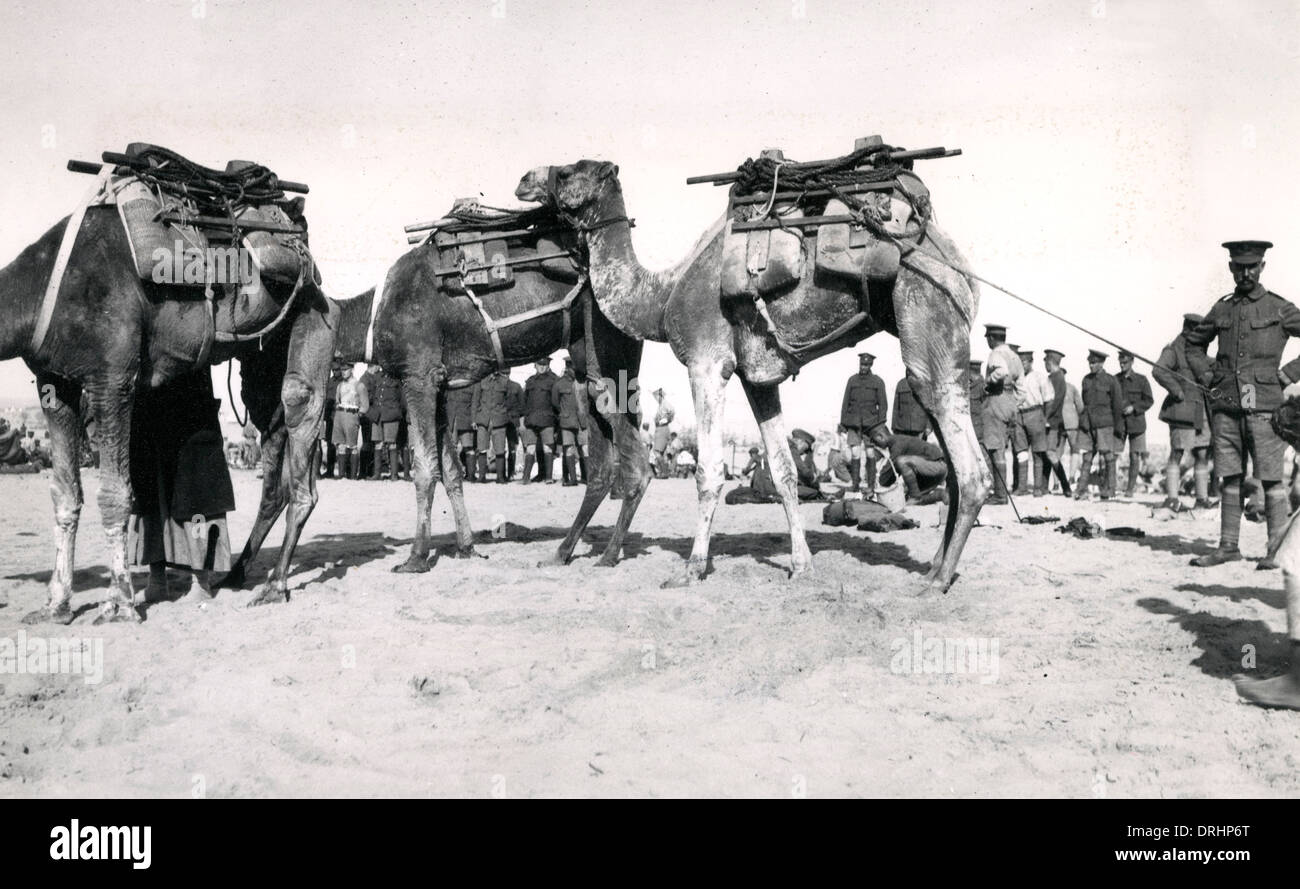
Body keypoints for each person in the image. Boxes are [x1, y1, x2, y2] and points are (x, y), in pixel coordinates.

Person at [1186, 240, 1300, 569]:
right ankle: (1227, 547)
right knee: (1229, 476)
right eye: (1239, 267)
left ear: (1262, 267)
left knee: (1271, 479)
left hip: (1264, 403)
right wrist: (1208, 376)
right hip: (1226, 405)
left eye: (1252, 266)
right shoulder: (1222, 308)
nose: (1245, 272)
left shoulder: (1278, 307)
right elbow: (1193, 345)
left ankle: (1277, 551)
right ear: (1231, 268)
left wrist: (1287, 375)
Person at [128, 369, 236, 601]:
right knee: (151, 493)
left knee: (195, 497)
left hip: (190, 404)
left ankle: (201, 583)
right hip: (149, 404)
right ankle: (157, 581)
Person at [1153, 313, 1213, 510]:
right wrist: (1176, 390)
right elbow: (1159, 370)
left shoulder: (1200, 351)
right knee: (1177, 452)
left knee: (1202, 453)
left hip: (1201, 409)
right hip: (1182, 409)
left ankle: (1202, 498)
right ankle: (1171, 498)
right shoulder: (1173, 349)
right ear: (1188, 328)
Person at [980, 325, 1022, 505]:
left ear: (991, 338)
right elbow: (1022, 388)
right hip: (1010, 401)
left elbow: (1001, 371)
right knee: (1000, 448)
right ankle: (1000, 492)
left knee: (995, 448)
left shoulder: (996, 354)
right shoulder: (1015, 355)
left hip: (996, 399)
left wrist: (989, 382)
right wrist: (1014, 404)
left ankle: (1000, 494)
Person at [1077, 349, 1125, 500]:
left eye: (1094, 363)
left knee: (1108, 457)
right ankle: (1081, 490)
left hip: (1105, 424)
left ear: (1102, 363)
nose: (1091, 365)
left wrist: (1117, 427)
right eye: (1090, 363)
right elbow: (1085, 402)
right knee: (1087, 457)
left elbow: (1117, 405)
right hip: (1088, 424)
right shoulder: (1086, 380)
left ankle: (1110, 490)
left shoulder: (1111, 380)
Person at [841, 351, 888, 493]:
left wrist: (879, 425)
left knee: (870, 454)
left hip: (871, 425)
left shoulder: (878, 382)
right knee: (855, 453)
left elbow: (883, 405)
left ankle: (871, 485)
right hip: (854, 423)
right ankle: (855, 485)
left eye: (867, 365)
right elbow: (845, 403)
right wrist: (844, 423)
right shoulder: (852, 380)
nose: (864, 367)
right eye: (862, 364)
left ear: (871, 365)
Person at [870, 424, 948, 504]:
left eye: (873, 440)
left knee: (901, 461)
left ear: (880, 436)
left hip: (938, 466)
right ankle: (940, 495)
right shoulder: (898, 441)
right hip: (931, 472)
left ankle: (915, 497)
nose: (874, 444)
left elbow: (889, 471)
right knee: (906, 500)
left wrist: (873, 486)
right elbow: (890, 475)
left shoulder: (898, 444)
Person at [1113, 349, 1154, 498]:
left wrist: (1134, 408)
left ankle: (1130, 489)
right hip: (1119, 424)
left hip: (1137, 424)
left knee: (1135, 456)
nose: (1122, 364)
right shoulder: (1115, 379)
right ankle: (1111, 487)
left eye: (1125, 362)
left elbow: (1149, 400)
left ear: (1132, 362)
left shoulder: (1141, 380)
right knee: (1112, 455)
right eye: (1120, 362)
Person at [1017, 348, 1056, 497]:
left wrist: (1045, 418)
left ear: (1031, 362)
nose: (1022, 366)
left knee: (1038, 452)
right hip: (1020, 415)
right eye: (1019, 363)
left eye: (1024, 362)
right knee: (1021, 452)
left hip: (1035, 413)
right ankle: (1022, 487)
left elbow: (1049, 399)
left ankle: (1038, 487)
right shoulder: (1016, 378)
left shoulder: (1040, 377)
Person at [472, 369, 513, 485]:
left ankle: (500, 477)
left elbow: (510, 401)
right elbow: (475, 400)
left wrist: (505, 416)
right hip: (483, 419)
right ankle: (481, 476)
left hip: (499, 420)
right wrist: (474, 419)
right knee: (482, 448)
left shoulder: (505, 382)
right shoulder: (481, 381)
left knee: (500, 450)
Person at [523, 357, 558, 484]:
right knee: (531, 448)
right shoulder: (530, 381)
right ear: (535, 365)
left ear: (549, 365)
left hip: (547, 419)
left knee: (547, 448)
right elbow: (525, 401)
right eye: (539, 365)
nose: (542, 367)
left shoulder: (554, 380)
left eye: (545, 365)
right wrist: (525, 417)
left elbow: (556, 402)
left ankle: (548, 477)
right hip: (531, 420)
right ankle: (526, 478)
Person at [1042, 349, 1072, 496]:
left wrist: (1045, 417)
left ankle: (1066, 486)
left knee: (1050, 453)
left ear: (1050, 361)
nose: (1044, 364)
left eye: (1045, 361)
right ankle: (1043, 487)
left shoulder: (1057, 378)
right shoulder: (1055, 377)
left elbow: (1055, 401)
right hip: (1051, 421)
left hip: (1052, 422)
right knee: (1046, 454)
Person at [366, 365, 404, 481]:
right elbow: (371, 394)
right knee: (378, 443)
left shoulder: (397, 379)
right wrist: (371, 410)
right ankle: (377, 474)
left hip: (391, 415)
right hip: (377, 415)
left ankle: (394, 474)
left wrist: (397, 412)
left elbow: (401, 399)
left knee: (392, 443)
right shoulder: (377, 377)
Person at [331, 364, 368, 479]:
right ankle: (342, 475)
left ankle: (352, 475)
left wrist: (357, 414)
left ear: (352, 370)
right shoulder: (340, 385)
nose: (343, 372)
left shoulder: (359, 385)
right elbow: (337, 400)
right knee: (340, 445)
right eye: (342, 369)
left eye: (346, 369)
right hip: (339, 415)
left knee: (352, 446)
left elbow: (365, 405)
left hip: (351, 414)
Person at [552, 357, 585, 486]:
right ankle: (573, 479)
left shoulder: (582, 381)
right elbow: (555, 402)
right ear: (567, 367)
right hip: (566, 420)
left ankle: (586, 477)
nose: (574, 370)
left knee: (585, 448)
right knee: (569, 448)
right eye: (572, 368)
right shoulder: (559, 384)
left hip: (582, 420)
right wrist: (564, 412)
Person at [444, 383, 478, 481]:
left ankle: (470, 475)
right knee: (452, 448)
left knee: (469, 448)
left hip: (466, 420)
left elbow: (474, 403)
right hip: (452, 420)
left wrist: (474, 420)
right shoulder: (450, 382)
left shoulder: (472, 384)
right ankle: (454, 475)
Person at [651, 387, 675, 478]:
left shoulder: (665, 404)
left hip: (662, 428)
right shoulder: (661, 405)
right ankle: (662, 472)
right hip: (659, 429)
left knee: (657, 452)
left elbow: (672, 411)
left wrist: (667, 420)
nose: (655, 398)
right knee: (658, 453)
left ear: (660, 396)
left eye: (656, 396)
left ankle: (664, 472)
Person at [505, 373, 524, 482]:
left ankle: (510, 473)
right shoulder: (497, 386)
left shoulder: (516, 386)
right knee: (500, 449)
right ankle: (502, 474)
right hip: (500, 420)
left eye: (506, 373)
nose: (505, 375)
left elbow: (522, 405)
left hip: (512, 421)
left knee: (512, 448)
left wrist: (515, 415)